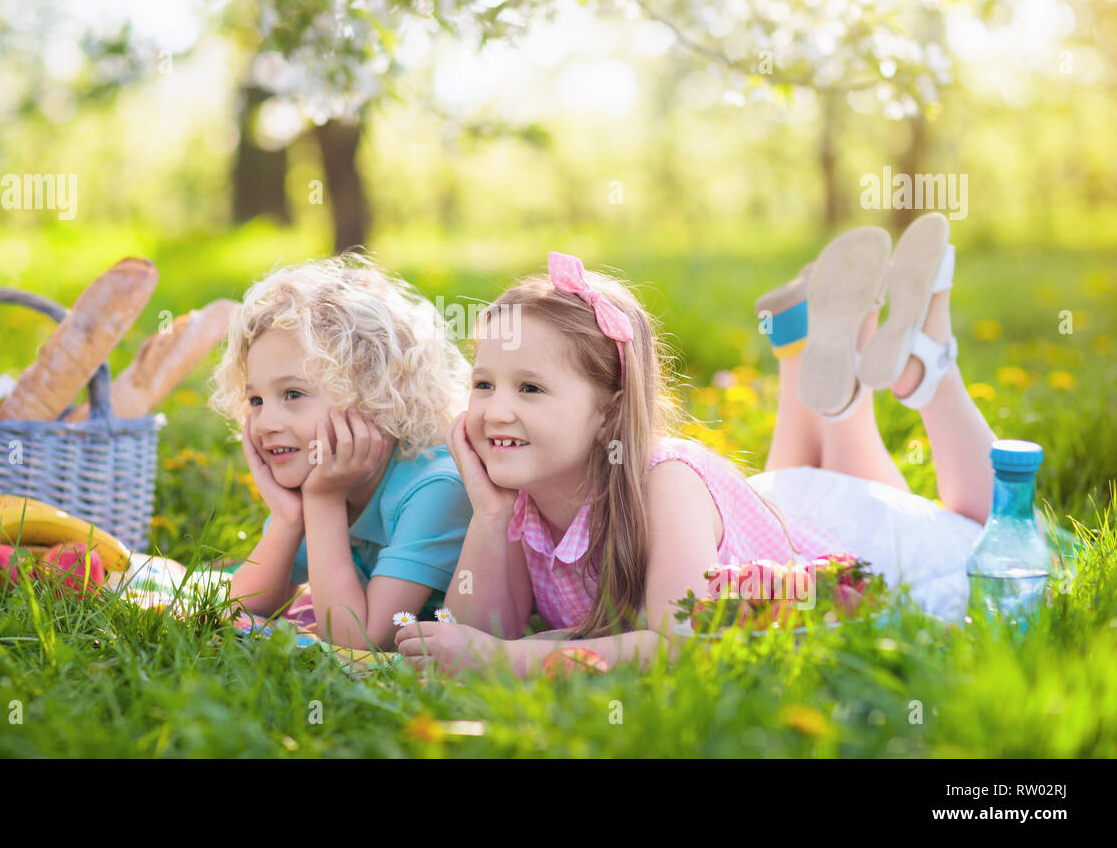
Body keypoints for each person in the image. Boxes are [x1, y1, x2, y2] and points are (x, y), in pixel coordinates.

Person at [395, 214, 994, 675]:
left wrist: (507, 664)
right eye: (482, 384)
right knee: (837, 477)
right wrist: (490, 515)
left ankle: (929, 366)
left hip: (879, 565)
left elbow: (679, 648)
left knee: (986, 537)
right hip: (791, 512)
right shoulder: (520, 503)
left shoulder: (664, 483)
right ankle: (827, 351)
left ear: (609, 411)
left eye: (530, 387)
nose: (496, 408)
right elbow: (478, 633)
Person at [209, 252, 473, 651]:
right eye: (257, 400)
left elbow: (360, 642)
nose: (264, 423)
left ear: (382, 391)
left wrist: (323, 502)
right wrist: (286, 519)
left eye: (293, 394)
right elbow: (237, 611)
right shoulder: (321, 474)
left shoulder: (436, 486)